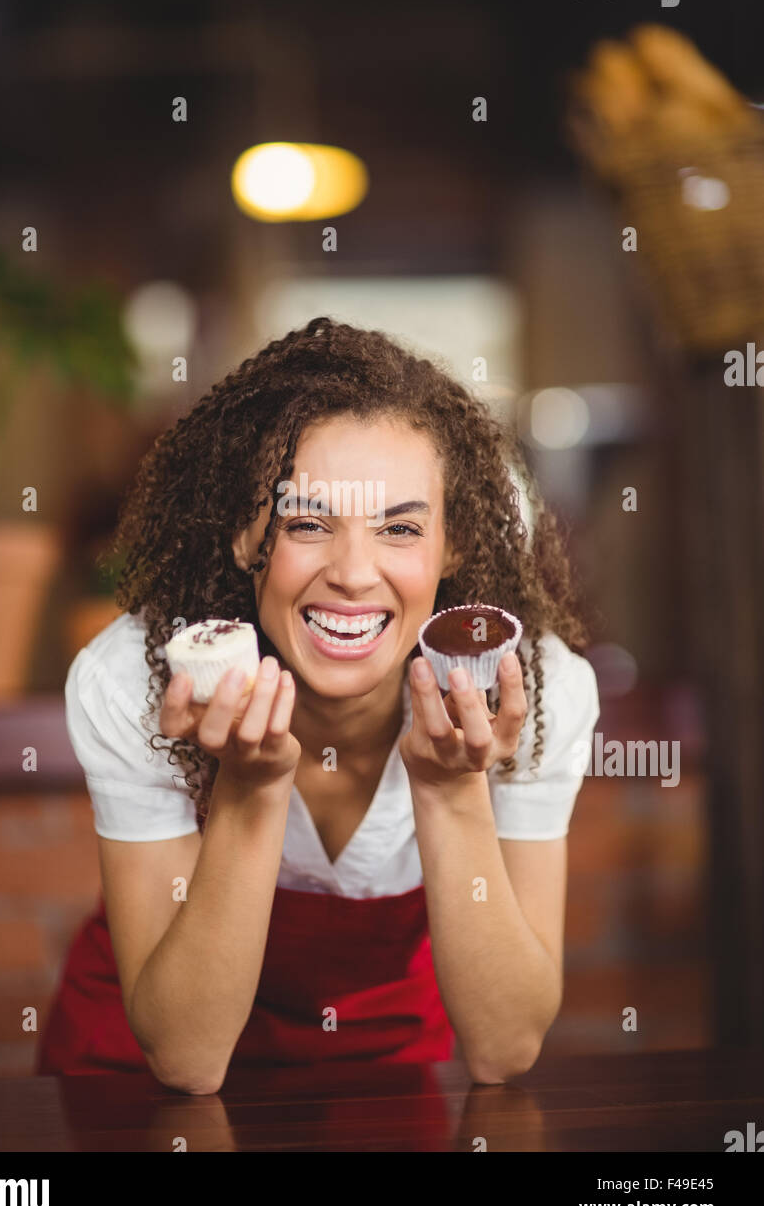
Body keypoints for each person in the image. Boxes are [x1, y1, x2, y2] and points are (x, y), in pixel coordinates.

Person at [36, 316, 600, 1092]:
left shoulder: (535, 691)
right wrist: (249, 788)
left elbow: (507, 1047)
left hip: (387, 1082)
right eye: (308, 522)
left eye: (400, 528)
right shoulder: (136, 679)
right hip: (132, 1090)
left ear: (454, 544)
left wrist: (451, 788)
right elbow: (187, 1056)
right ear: (244, 534)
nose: (354, 573)